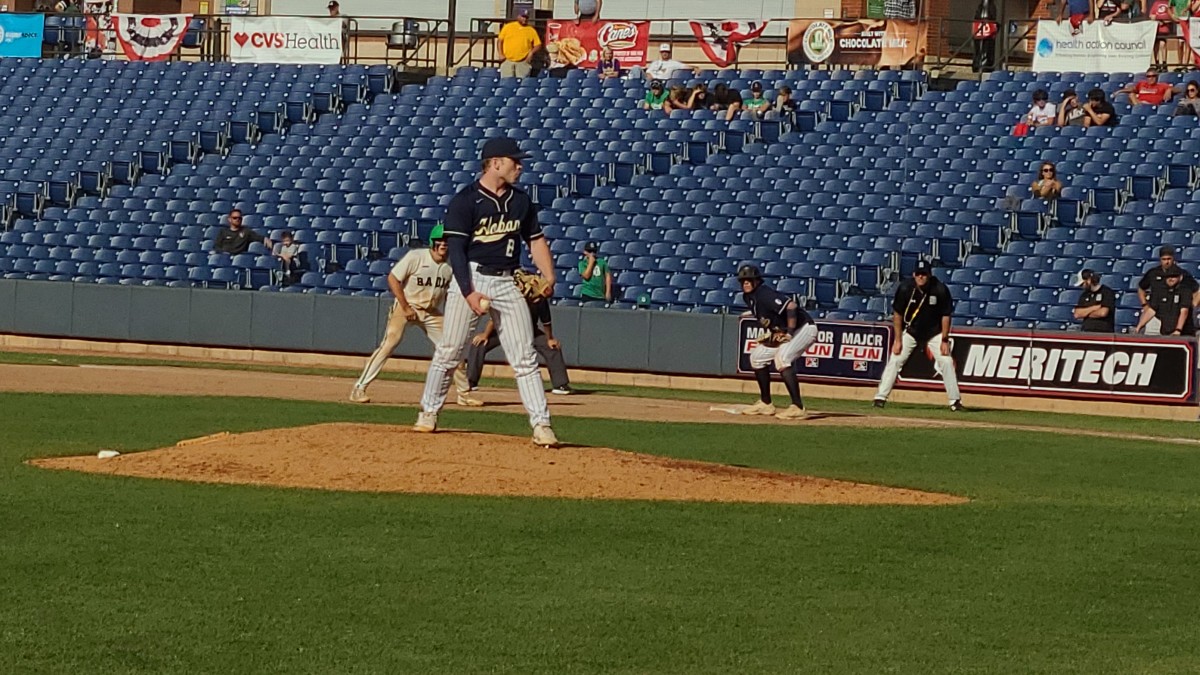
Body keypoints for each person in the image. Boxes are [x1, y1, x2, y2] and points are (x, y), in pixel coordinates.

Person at [415, 136, 559, 448]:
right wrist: (468, 293)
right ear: (495, 163)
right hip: (472, 277)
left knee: (524, 357)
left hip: (507, 281)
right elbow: (456, 251)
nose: (519, 166)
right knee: (450, 350)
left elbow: (535, 240)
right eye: (513, 161)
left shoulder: (521, 201)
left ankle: (541, 423)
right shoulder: (465, 201)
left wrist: (549, 274)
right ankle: (429, 411)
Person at [349, 225, 481, 407]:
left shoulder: (451, 264)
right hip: (407, 306)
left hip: (431, 311)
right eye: (440, 240)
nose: (444, 244)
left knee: (453, 347)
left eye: (447, 241)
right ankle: (359, 388)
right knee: (389, 344)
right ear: (433, 243)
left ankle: (464, 394)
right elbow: (393, 279)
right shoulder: (416, 257)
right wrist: (404, 306)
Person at [872, 259, 964, 411]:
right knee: (896, 359)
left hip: (934, 332)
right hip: (912, 331)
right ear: (914, 275)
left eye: (924, 274)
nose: (921, 277)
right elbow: (897, 314)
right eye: (918, 274)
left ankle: (955, 401)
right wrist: (898, 339)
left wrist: (944, 340)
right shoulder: (905, 288)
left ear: (929, 275)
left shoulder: (939, 289)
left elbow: (946, 315)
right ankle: (880, 397)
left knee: (946, 362)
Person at [736, 265, 818, 420]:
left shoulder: (763, 294)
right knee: (757, 357)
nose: (746, 283)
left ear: (757, 281)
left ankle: (797, 407)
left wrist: (789, 333)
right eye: (743, 281)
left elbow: (791, 306)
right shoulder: (748, 297)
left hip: (804, 328)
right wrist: (773, 334)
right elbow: (773, 319)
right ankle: (766, 404)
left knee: (782, 358)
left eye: (749, 280)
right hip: (787, 331)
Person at [466, 290, 573, 396]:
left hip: (530, 331)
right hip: (505, 328)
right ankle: (470, 382)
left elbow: (546, 321)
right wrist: (485, 335)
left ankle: (560, 385)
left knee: (552, 347)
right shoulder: (509, 296)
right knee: (478, 344)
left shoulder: (539, 298)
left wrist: (550, 339)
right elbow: (494, 319)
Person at [1137, 245, 1200, 333]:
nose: (1166, 262)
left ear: (1173, 259)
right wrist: (1145, 305)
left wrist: (1192, 305)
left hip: (1177, 316)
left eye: (1169, 259)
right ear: (1160, 259)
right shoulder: (1153, 273)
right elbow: (1141, 288)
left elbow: (1197, 291)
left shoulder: (1183, 274)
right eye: (1164, 259)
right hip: (1155, 315)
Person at [1136, 265, 1196, 336]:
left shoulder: (1185, 291)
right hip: (1166, 332)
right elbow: (1152, 310)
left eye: (1174, 276)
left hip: (1184, 333)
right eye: (1168, 276)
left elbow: (1184, 311)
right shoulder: (1161, 291)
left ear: (1180, 277)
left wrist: (1178, 330)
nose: (1170, 279)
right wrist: (1139, 326)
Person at [498, 10, 541, 78]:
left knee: (522, 83)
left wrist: (531, 53)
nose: (524, 19)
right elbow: (500, 41)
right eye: (523, 17)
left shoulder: (531, 30)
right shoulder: (508, 27)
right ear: (518, 16)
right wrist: (500, 54)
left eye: (526, 17)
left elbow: (538, 45)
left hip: (523, 61)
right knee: (506, 82)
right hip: (508, 60)